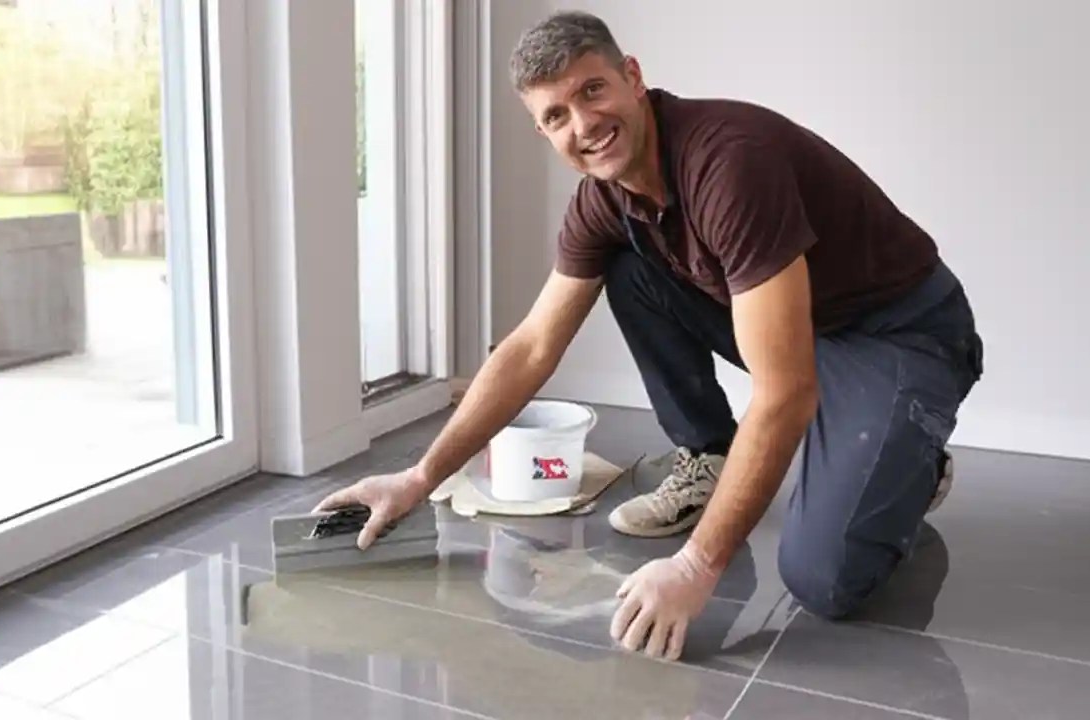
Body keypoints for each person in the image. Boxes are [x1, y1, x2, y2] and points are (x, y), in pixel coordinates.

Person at [315, 10, 984, 661]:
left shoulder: (728, 165)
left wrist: (695, 565)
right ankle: (710, 456)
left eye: (592, 90)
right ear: (543, 131)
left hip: (899, 332)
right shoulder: (603, 202)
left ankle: (910, 464)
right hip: (805, 327)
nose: (583, 124)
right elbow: (533, 346)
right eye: (556, 115)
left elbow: (785, 392)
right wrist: (420, 476)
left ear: (632, 77)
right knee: (631, 266)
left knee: (824, 581)